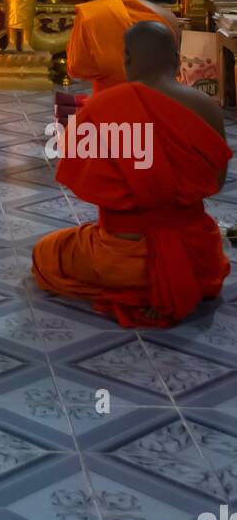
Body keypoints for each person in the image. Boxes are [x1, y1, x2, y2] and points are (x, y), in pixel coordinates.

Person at [32, 20, 231, 328]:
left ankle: (145, 284)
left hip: (124, 257)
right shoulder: (208, 107)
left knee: (47, 254)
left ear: (125, 59)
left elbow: (86, 185)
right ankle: (172, 282)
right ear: (176, 59)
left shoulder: (102, 108)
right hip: (200, 257)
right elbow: (216, 182)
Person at [67, 0, 180, 94]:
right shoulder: (168, 18)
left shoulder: (93, 14)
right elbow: (174, 68)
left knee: (71, 116)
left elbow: (76, 68)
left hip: (108, 104)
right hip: (157, 103)